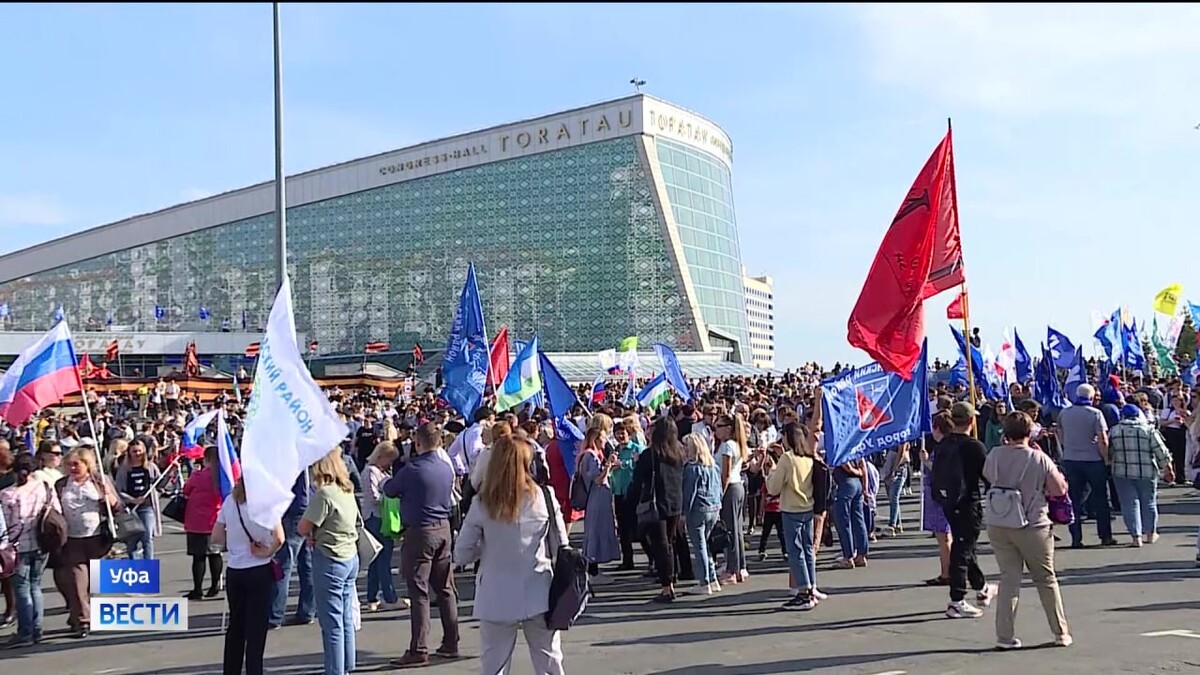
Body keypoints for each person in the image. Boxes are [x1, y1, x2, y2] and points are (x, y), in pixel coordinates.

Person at [453, 433, 568, 674]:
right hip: (539, 589)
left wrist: (484, 548)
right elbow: (561, 546)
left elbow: (461, 554)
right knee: (549, 660)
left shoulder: (482, 504)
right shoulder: (545, 497)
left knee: (494, 665)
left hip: (495, 592)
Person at [983, 411, 1072, 649]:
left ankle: (1004, 635)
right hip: (1033, 523)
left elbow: (988, 476)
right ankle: (1060, 632)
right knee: (1045, 578)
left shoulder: (994, 454)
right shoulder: (1039, 458)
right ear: (1029, 431)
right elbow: (1058, 489)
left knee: (1008, 579)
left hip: (1000, 520)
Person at [383, 422, 460, 668]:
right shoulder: (446, 469)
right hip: (443, 528)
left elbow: (390, 490)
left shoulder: (412, 469)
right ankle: (451, 640)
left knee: (419, 590)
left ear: (417, 443)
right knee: (445, 587)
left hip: (420, 531)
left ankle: (419, 648)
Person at [212, 478, 286, 675]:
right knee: (256, 630)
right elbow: (279, 538)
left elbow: (216, 537)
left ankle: (231, 670)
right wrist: (267, 551)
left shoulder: (230, 502)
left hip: (235, 570)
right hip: (259, 569)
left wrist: (235, 545)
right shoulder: (267, 505)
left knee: (236, 626)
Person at [299, 448, 362, 675]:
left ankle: (335, 670)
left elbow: (303, 527)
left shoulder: (324, 494)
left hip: (330, 557)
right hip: (349, 554)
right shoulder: (347, 490)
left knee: (331, 622)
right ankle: (347, 664)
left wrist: (313, 531)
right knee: (344, 617)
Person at [53, 446, 122, 639]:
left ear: (87, 464)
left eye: (76, 464)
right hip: (71, 539)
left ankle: (79, 612)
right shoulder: (61, 484)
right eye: (69, 465)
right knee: (77, 581)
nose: (72, 468)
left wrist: (109, 498)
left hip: (97, 537)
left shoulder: (99, 481)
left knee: (92, 582)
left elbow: (117, 507)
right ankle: (83, 620)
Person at [940, 402, 995, 619]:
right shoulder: (974, 446)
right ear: (971, 421)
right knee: (962, 550)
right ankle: (957, 600)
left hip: (948, 501)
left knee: (966, 546)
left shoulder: (943, 443)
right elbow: (989, 475)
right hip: (968, 502)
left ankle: (981, 588)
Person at [0, 453, 62, 648]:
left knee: (22, 589)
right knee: (35, 586)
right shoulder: (43, 488)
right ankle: (36, 629)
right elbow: (56, 510)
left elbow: (7, 525)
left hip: (19, 545)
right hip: (42, 541)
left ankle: (25, 632)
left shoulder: (7, 494)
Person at [766, 422, 829, 611]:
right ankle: (811, 585)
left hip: (792, 508)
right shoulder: (808, 458)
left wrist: (771, 470)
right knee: (807, 549)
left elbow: (773, 487)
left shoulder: (787, 458)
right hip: (807, 507)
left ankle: (804, 592)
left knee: (796, 551)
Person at [628, 417, 686, 603]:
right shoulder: (679, 453)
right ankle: (671, 576)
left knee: (661, 545)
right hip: (675, 502)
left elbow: (637, 482)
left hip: (656, 503)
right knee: (669, 542)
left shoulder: (650, 454)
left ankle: (667, 587)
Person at [1058, 384, 1117, 548]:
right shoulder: (1095, 414)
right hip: (1092, 460)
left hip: (1070, 459)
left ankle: (1076, 538)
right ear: (1091, 398)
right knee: (1100, 499)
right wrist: (1106, 459)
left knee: (1074, 500)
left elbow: (1060, 433)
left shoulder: (1065, 412)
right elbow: (1103, 439)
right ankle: (1105, 536)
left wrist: (1068, 447)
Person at [1109, 403, 1174, 547]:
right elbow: (1161, 451)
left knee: (1129, 504)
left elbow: (1109, 451)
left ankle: (1136, 537)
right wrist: (1168, 469)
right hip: (1147, 471)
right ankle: (1151, 534)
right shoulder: (1148, 430)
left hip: (1122, 472)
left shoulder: (1114, 431)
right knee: (1149, 502)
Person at [361, 441, 406, 612]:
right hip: (377, 517)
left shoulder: (379, 471)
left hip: (377, 517)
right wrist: (392, 499)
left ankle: (372, 597)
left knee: (376, 558)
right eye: (389, 459)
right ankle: (389, 596)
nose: (390, 463)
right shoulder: (371, 471)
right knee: (384, 558)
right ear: (381, 457)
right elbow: (373, 497)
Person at [576, 417, 621, 585]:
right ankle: (592, 571)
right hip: (596, 497)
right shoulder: (590, 456)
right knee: (594, 531)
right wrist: (608, 466)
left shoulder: (592, 455)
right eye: (602, 439)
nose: (605, 441)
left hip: (599, 496)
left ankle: (594, 569)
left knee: (597, 530)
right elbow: (596, 479)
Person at [270, 472, 315, 629]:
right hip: (308, 508)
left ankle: (274, 615)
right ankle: (307, 611)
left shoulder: (293, 458)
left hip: (293, 510)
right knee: (307, 565)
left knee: (284, 566)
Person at [680, 432, 723, 595]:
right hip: (713, 507)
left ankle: (705, 581)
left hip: (698, 509)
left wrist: (683, 515)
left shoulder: (691, 468)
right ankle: (712, 578)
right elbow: (719, 489)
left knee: (699, 546)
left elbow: (689, 493)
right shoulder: (713, 466)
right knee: (705, 544)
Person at [182, 445, 224, 600]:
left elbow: (186, 490)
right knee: (215, 554)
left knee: (198, 557)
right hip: (215, 519)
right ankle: (214, 586)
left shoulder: (198, 476)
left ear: (206, 459)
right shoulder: (222, 477)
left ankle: (198, 589)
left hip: (197, 520)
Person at [714, 412, 749, 584]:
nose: (716, 429)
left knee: (731, 530)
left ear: (728, 428)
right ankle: (740, 567)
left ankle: (732, 571)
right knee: (736, 530)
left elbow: (725, 474)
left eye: (719, 426)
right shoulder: (735, 444)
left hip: (730, 488)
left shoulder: (728, 446)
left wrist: (719, 495)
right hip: (738, 486)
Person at [115, 439, 161, 560]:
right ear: (129, 453)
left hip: (147, 507)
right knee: (132, 541)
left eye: (140, 451)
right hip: (130, 509)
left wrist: (171, 472)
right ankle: (134, 565)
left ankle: (148, 564)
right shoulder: (124, 469)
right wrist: (132, 500)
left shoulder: (150, 467)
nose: (137, 454)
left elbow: (160, 484)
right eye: (134, 451)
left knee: (147, 538)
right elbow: (119, 491)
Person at [609, 416, 644, 571]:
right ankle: (627, 560)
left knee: (639, 528)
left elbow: (640, 467)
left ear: (629, 434)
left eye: (623, 433)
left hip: (633, 493)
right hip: (619, 492)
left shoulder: (637, 449)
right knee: (623, 529)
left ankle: (652, 559)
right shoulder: (615, 450)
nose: (620, 436)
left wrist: (623, 464)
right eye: (617, 433)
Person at [831, 456, 870, 568]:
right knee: (858, 520)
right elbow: (863, 466)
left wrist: (854, 471)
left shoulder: (840, 446)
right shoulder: (854, 446)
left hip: (845, 483)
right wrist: (865, 488)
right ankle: (861, 554)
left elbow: (845, 464)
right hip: (857, 485)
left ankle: (848, 556)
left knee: (843, 522)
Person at [880, 442, 909, 537]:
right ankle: (898, 524)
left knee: (894, 497)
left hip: (898, 469)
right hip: (889, 466)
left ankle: (892, 524)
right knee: (892, 498)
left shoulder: (903, 437)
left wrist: (894, 470)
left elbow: (902, 452)